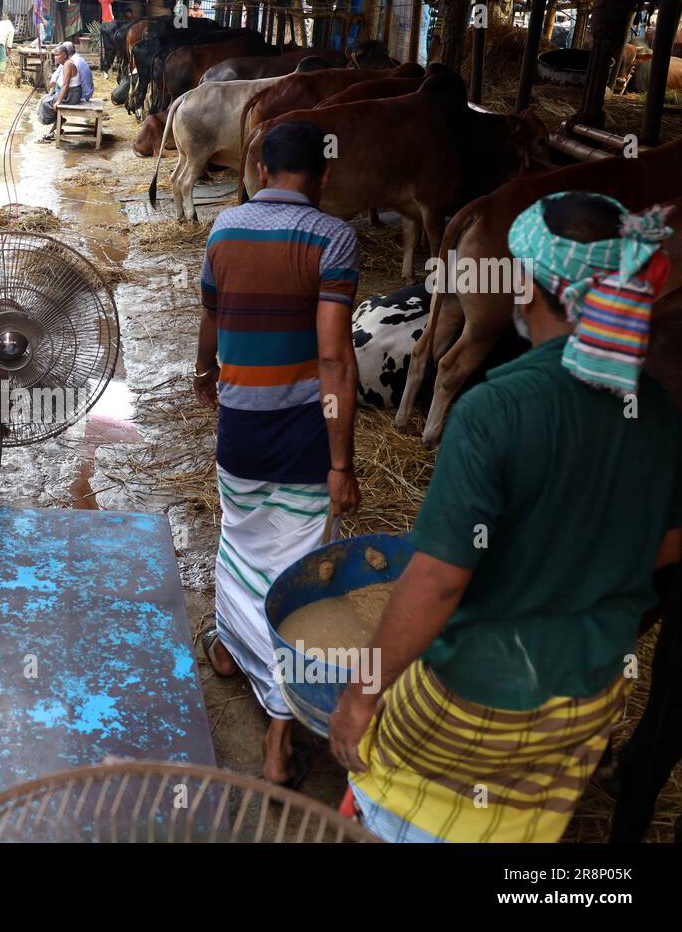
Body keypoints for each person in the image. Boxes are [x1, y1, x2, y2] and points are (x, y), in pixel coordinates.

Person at [330, 191, 682, 843]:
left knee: (393, 801)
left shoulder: (496, 410)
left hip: (475, 697)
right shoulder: (657, 410)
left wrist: (362, 696)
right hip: (589, 699)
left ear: (526, 286)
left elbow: (437, 581)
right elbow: (668, 544)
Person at [196, 121, 361, 788]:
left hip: (240, 433)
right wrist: (342, 462)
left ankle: (234, 650)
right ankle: (278, 734)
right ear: (321, 177)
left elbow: (210, 313)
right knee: (295, 579)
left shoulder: (224, 229)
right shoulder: (334, 238)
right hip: (301, 441)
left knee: (240, 551)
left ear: (261, 169)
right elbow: (332, 356)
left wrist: (204, 373)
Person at [36, 42, 93, 140]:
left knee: (45, 103)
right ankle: (56, 125)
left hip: (72, 96)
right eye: (55, 55)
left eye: (58, 55)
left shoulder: (67, 65)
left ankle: (57, 120)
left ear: (65, 55)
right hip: (72, 94)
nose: (55, 57)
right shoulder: (67, 63)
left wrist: (58, 101)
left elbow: (65, 85)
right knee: (47, 99)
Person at [0, 10, 16, 76]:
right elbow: (9, 43)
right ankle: (0, 78)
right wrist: (9, 53)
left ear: (8, 17)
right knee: (2, 61)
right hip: (0, 43)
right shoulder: (11, 28)